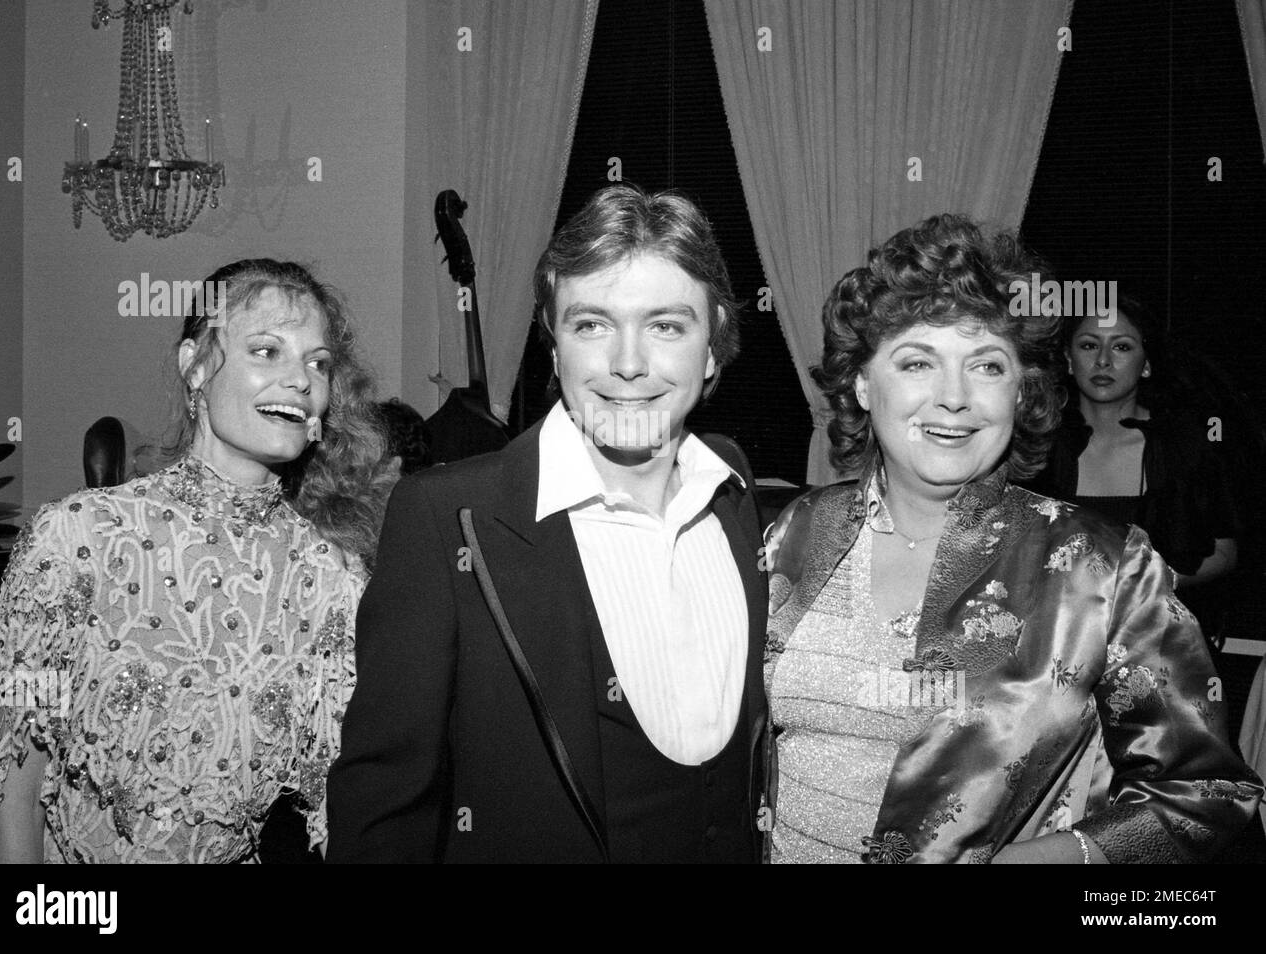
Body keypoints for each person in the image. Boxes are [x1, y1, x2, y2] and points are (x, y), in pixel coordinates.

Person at [765, 214, 1262, 863]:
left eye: (986, 366)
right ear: (862, 382)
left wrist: (1046, 859)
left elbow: (1213, 794)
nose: (952, 397)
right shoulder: (797, 530)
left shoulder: (1102, 570)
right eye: (917, 361)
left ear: (1020, 391)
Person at [327, 185, 770, 863]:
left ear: (713, 350)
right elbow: (384, 808)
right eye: (591, 324)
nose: (628, 362)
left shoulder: (734, 495)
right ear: (555, 347)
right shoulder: (445, 521)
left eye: (667, 326)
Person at [0, 259, 396, 863]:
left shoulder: (334, 583)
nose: (301, 380)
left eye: (317, 363)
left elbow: (345, 812)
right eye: (267, 350)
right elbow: (12, 789)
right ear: (194, 365)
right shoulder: (76, 539)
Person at [1028, 295, 1243, 641]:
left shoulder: (1185, 448)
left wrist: (1157, 579)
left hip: (1161, 647)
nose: (1102, 360)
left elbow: (1225, 551)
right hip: (1056, 646)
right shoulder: (1037, 450)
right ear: (1069, 360)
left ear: (1146, 364)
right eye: (1088, 345)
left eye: (1122, 347)